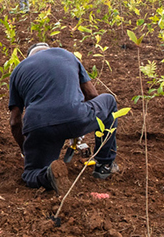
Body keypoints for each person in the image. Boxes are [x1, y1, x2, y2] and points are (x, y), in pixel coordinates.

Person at [8, 43, 118, 191]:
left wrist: (27, 150)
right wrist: (81, 123)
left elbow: (15, 121)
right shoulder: (66, 55)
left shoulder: (18, 71)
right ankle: (104, 165)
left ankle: (47, 176)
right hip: (75, 115)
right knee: (108, 101)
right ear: (49, 50)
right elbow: (92, 95)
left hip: (39, 126)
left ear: (29, 58)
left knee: (32, 172)